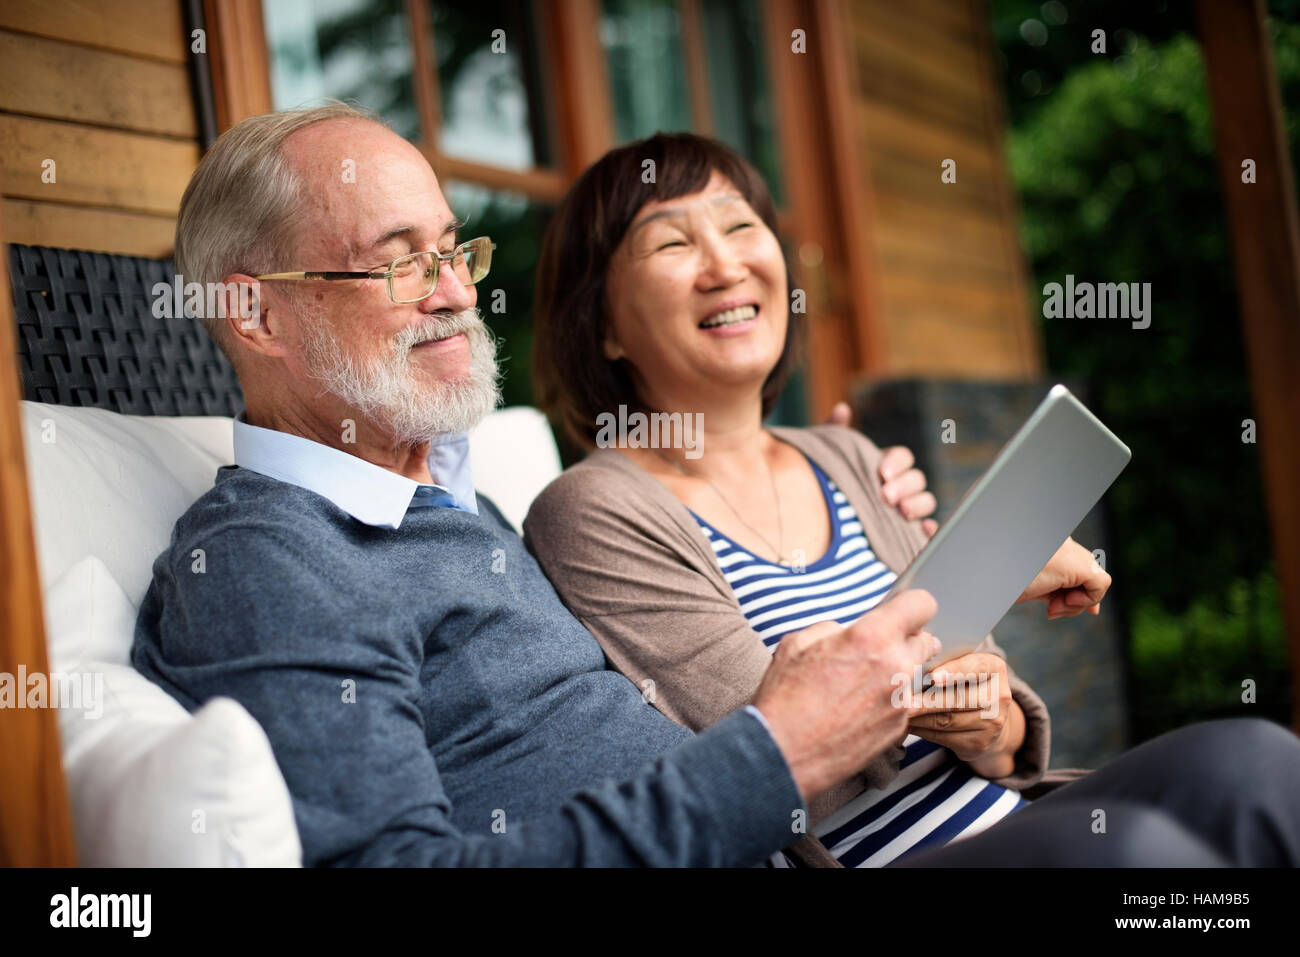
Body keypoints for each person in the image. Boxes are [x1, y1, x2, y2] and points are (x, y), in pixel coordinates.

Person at [130, 103, 955, 867]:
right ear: (257, 314)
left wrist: (847, 484)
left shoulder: (457, 499)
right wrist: (778, 752)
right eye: (399, 263)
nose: (456, 291)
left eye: (452, 251)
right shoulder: (265, 561)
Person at [522, 131, 1300, 867]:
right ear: (603, 327)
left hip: (1015, 812)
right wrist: (939, 672)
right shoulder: (594, 509)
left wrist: (992, 720)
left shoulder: (850, 456)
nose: (724, 265)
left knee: (1258, 759)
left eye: (740, 225)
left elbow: (996, 703)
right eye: (672, 241)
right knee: (1149, 861)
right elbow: (774, 752)